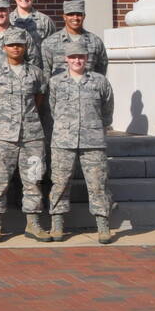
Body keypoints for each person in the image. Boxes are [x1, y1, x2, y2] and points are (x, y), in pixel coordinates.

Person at [0, 29, 51, 242]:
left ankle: (33, 223)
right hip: (2, 138)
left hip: (31, 137)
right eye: (11, 45)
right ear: (4, 48)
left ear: (25, 47)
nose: (15, 48)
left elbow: (38, 99)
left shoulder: (36, 73)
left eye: (19, 45)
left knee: (33, 179)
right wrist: (3, 123)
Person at [47, 38, 115, 243]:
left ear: (87, 58)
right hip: (63, 141)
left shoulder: (99, 81)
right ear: (66, 59)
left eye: (81, 57)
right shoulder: (56, 82)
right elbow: (52, 109)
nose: (77, 60)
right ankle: (57, 223)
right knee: (59, 183)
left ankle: (103, 225)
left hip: (92, 140)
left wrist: (96, 126)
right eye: (73, 57)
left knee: (98, 184)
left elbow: (107, 110)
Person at [42, 0, 108, 78]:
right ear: (64, 17)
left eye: (79, 14)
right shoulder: (50, 42)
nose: (75, 18)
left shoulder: (95, 41)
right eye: (71, 14)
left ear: (84, 16)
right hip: (60, 89)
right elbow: (46, 73)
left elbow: (101, 71)